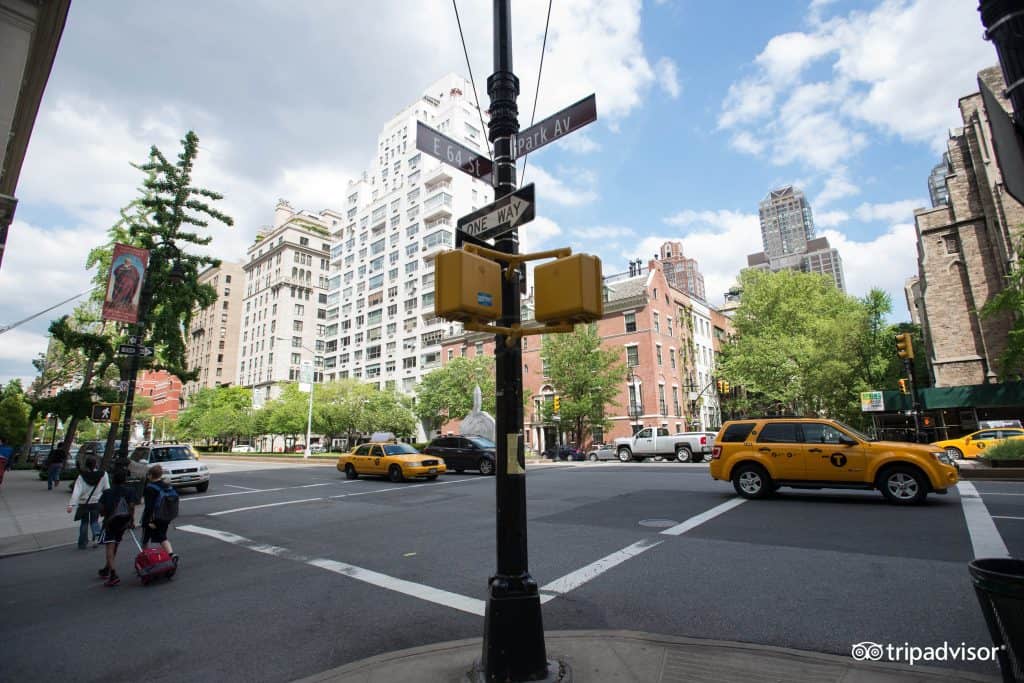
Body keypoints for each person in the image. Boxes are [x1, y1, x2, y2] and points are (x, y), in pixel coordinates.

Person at [96, 469, 138, 587]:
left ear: (113, 480)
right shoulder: (130, 491)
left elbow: (101, 508)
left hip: (110, 522)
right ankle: (107, 567)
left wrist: (104, 514)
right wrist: (131, 520)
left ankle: (113, 574)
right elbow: (132, 506)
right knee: (116, 543)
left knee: (110, 545)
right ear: (125, 480)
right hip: (123, 522)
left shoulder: (107, 493)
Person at [66, 457, 109, 549]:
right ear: (96, 464)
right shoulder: (103, 474)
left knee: (84, 522)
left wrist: (71, 504)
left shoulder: (82, 476)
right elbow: (107, 489)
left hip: (84, 503)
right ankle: (96, 537)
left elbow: (77, 491)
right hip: (97, 501)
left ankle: (82, 543)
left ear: (86, 465)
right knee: (94, 520)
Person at [141, 464, 178, 565]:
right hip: (165, 517)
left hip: (153, 518)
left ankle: (146, 558)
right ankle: (171, 554)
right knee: (162, 537)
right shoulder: (166, 486)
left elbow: (149, 507)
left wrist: (148, 521)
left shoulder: (150, 488)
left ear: (151, 475)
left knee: (145, 539)